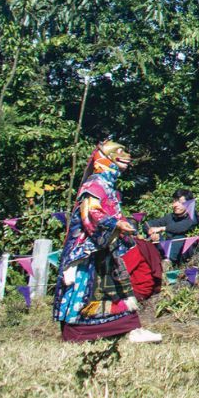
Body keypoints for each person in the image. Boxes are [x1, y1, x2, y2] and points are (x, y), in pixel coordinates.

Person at [54, 141, 164, 343]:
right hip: (88, 249)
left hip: (104, 246)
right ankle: (77, 333)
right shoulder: (94, 184)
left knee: (117, 286)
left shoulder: (107, 184)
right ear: (108, 158)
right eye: (120, 153)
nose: (126, 158)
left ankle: (130, 329)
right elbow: (91, 212)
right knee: (85, 289)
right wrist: (115, 224)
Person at [146, 190, 199, 264]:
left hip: (184, 256)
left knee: (180, 236)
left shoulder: (194, 217)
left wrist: (162, 228)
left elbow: (183, 226)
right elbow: (148, 223)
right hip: (166, 251)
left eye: (180, 202)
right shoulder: (170, 217)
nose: (175, 205)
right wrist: (152, 232)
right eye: (174, 202)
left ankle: (168, 263)